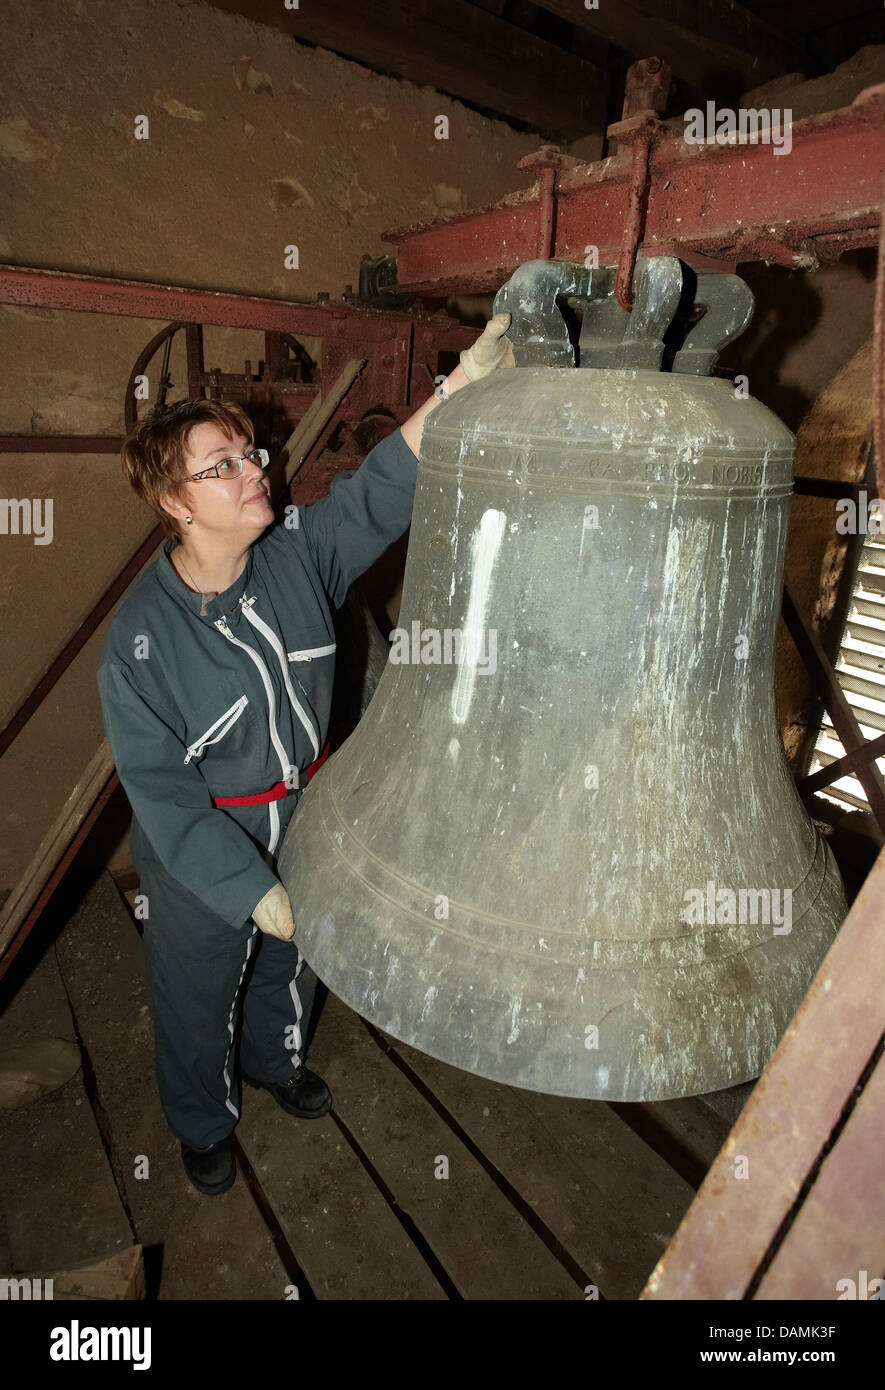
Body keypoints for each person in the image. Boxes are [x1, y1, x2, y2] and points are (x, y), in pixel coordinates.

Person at [97, 312, 514, 1195]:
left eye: (249, 455)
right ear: (176, 503)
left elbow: (378, 488)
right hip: (207, 848)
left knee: (294, 963)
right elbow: (165, 800)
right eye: (225, 467)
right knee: (198, 987)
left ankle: (276, 1064)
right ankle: (202, 1122)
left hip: (307, 810)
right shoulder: (139, 640)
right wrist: (250, 889)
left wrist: (460, 386)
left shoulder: (298, 556)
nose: (256, 473)